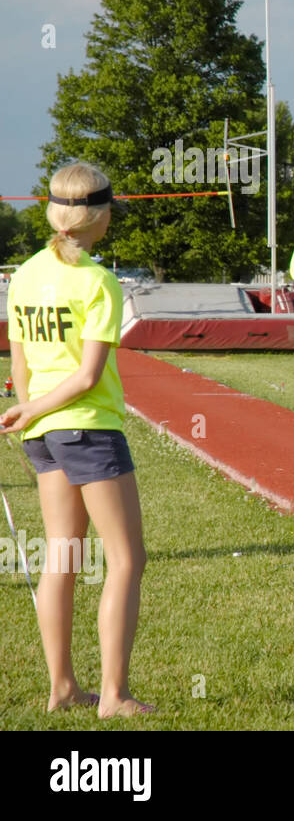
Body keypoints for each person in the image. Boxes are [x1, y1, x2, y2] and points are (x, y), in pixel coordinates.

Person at [1, 162, 151, 718]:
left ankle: (62, 687)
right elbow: (88, 377)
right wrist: (38, 408)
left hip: (40, 431)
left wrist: (27, 410)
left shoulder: (25, 275)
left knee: (62, 555)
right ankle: (113, 696)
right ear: (99, 218)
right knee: (126, 558)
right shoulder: (97, 281)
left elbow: (18, 364)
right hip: (86, 426)